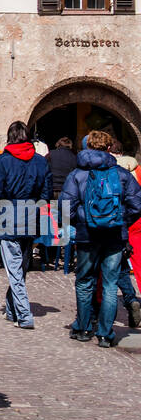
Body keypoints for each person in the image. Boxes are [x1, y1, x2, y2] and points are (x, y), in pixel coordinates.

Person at [61, 128, 141, 347]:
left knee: (85, 282)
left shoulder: (77, 174)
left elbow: (65, 206)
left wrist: (78, 222)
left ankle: (83, 328)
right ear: (109, 148)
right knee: (109, 284)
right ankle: (105, 334)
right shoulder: (122, 174)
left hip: (87, 235)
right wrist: (121, 220)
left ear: (87, 147)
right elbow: (137, 205)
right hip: (114, 236)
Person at [0, 121, 52, 330]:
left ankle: (24, 313)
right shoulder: (40, 162)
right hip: (31, 214)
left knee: (15, 267)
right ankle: (13, 308)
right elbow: (46, 193)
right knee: (21, 265)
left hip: (8, 214)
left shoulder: (3, 161)